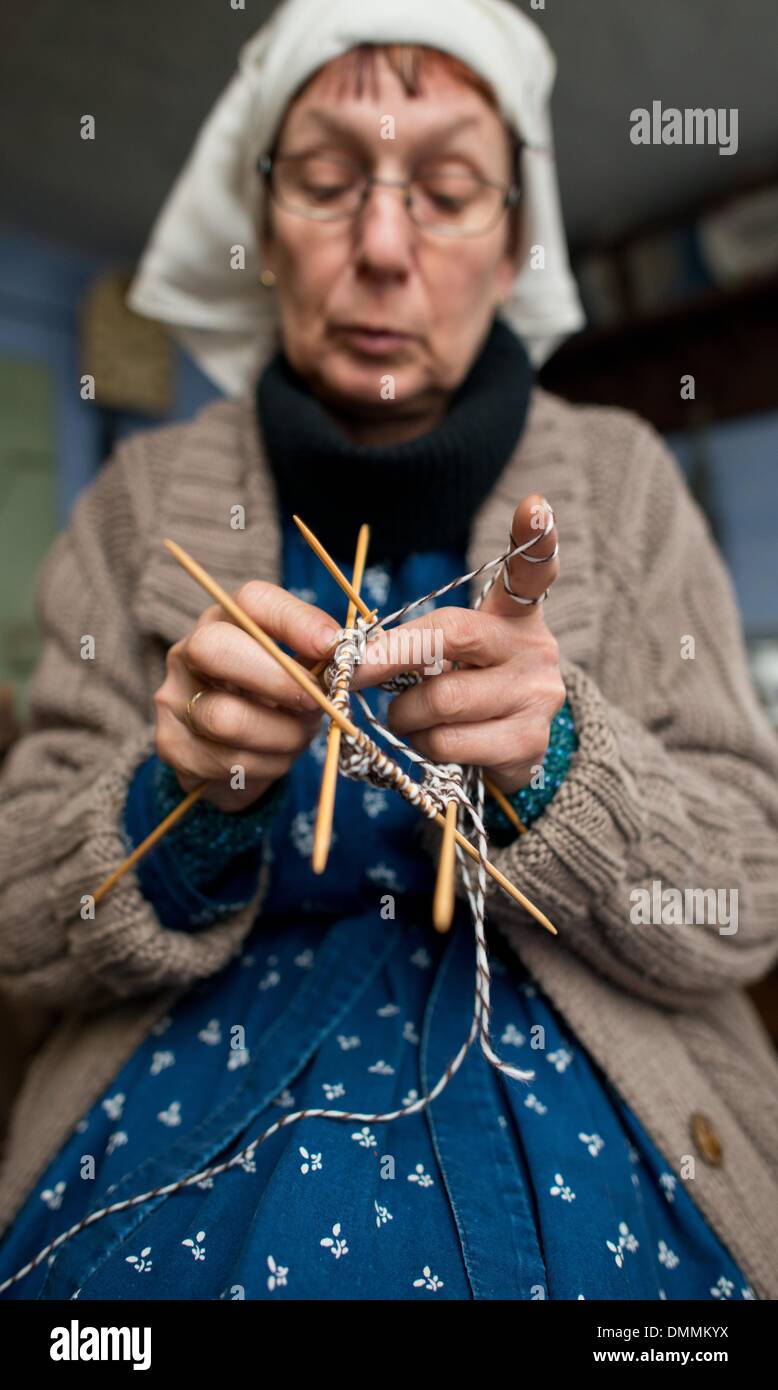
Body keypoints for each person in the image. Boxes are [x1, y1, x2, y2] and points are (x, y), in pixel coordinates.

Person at [1, 0, 777, 1301]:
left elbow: (745, 895)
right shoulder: (136, 501)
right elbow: (20, 916)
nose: (378, 245)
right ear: (262, 229)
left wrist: (564, 768)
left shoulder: (622, 481)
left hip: (597, 1116)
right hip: (175, 1119)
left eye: (448, 189)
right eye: (322, 183)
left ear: (513, 241)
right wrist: (173, 804)